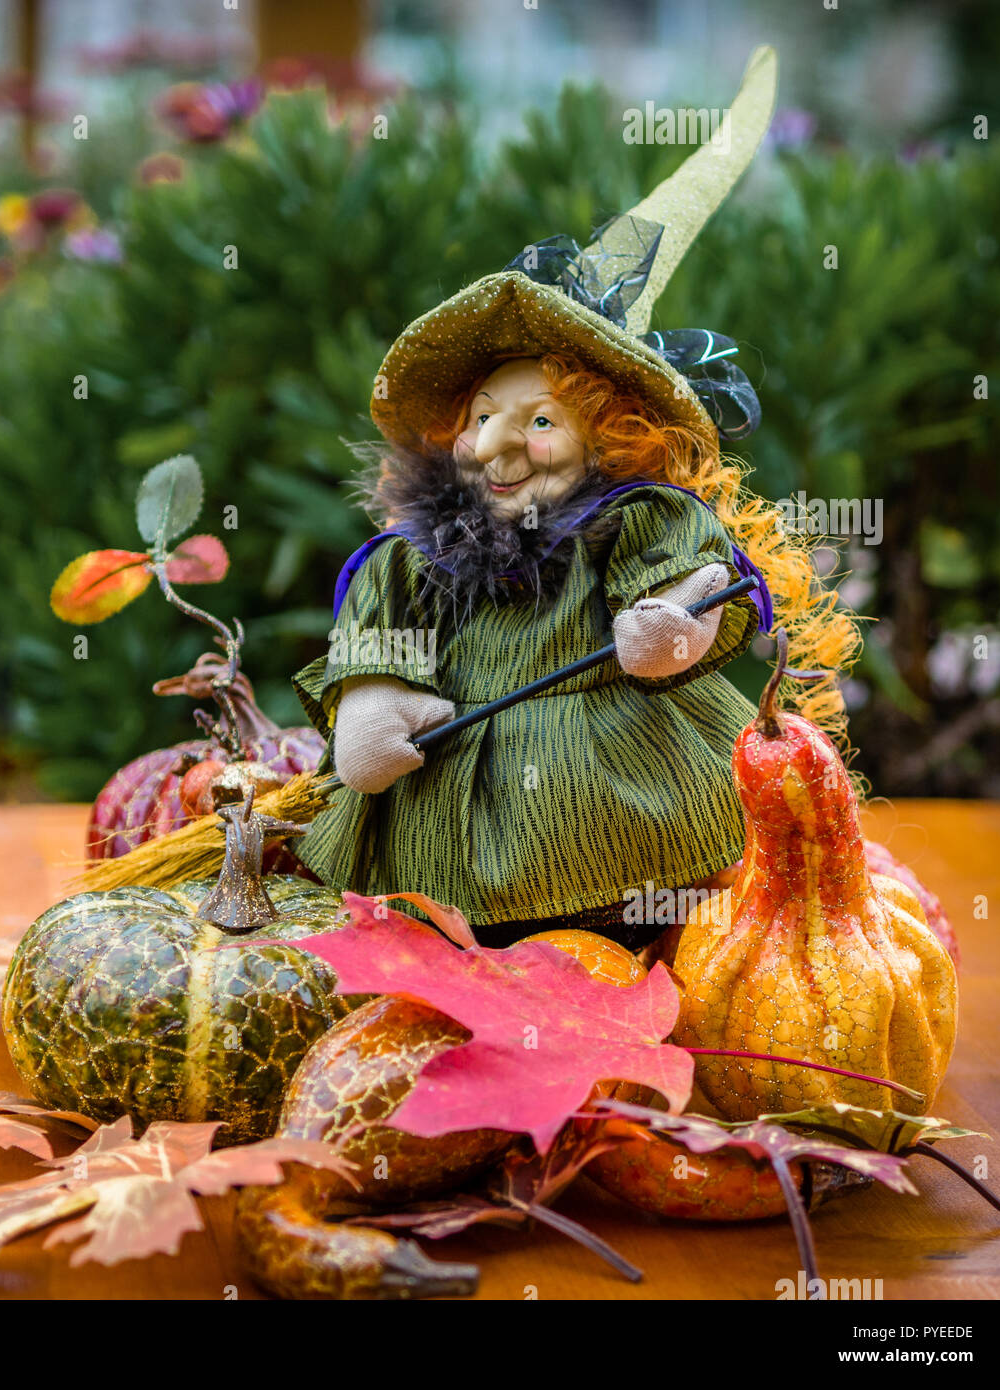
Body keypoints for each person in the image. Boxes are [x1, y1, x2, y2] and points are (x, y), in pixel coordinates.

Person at [291, 48, 859, 951]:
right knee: (428, 930)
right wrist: (372, 704)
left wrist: (671, 625)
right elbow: (377, 629)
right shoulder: (420, 553)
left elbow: (696, 584)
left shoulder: (636, 521)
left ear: (614, 435)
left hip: (624, 789)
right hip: (457, 833)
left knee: (663, 920)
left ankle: (643, 954)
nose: (494, 445)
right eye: (480, 416)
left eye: (540, 422)